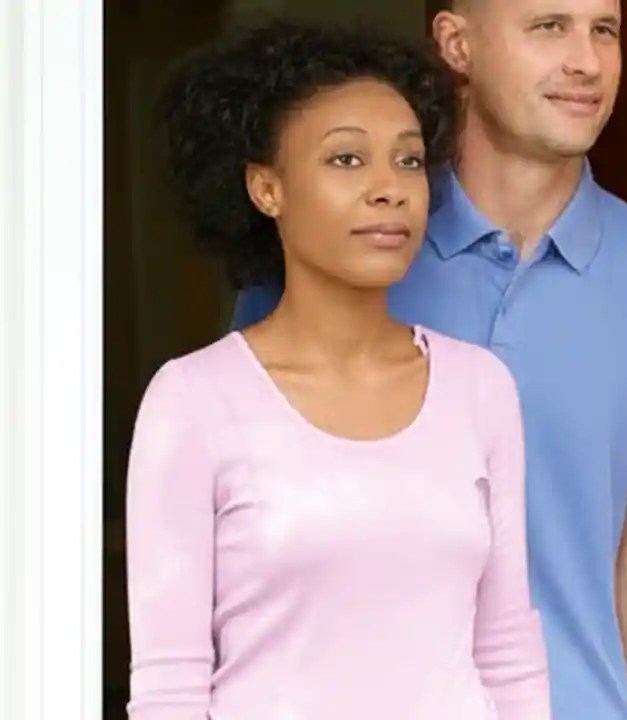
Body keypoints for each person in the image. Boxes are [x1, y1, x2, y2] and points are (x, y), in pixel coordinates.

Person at [232, 1, 627, 718]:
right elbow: (239, 539)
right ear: (456, 44)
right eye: (549, 27)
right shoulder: (340, 243)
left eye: (604, 31)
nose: (587, 62)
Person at [126, 20, 549, 719]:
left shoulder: (480, 389)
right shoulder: (194, 401)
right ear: (267, 189)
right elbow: (169, 687)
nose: (390, 188)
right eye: (347, 159)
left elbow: (507, 652)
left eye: (408, 160)